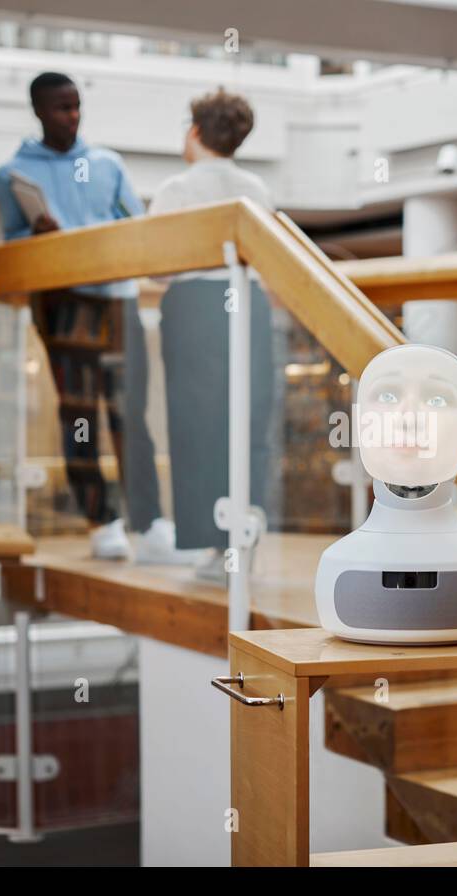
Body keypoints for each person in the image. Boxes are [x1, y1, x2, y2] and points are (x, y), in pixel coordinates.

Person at [0, 72, 179, 562]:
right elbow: (10, 244)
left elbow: (137, 227)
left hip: (117, 299)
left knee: (129, 414)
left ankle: (150, 521)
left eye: (76, 106)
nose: (71, 117)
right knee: (79, 416)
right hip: (61, 304)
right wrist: (35, 233)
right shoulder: (12, 174)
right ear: (38, 110)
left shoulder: (107, 164)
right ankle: (102, 521)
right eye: (61, 108)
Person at [147, 88, 279, 580]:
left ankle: (212, 547)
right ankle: (245, 534)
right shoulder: (257, 189)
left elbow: (157, 270)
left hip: (195, 309)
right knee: (245, 422)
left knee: (197, 428)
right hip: (248, 306)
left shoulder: (175, 190)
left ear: (197, 131)